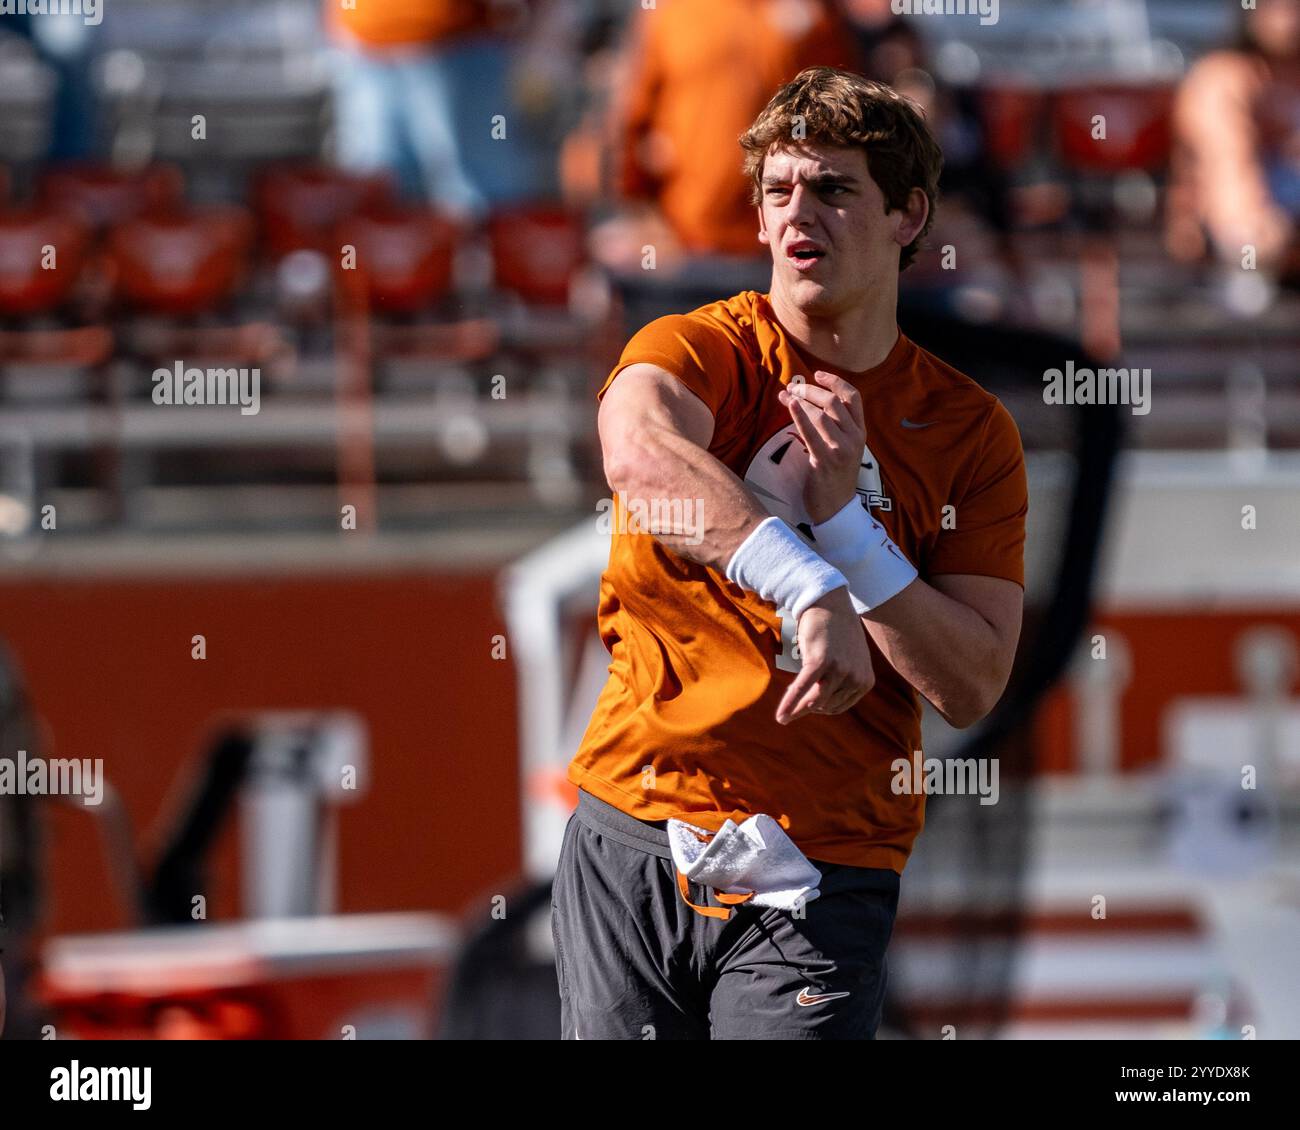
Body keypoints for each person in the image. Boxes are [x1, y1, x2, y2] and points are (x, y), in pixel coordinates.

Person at [551, 66, 1027, 1040]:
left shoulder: (966, 429)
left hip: (822, 856)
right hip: (633, 823)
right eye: (777, 189)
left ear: (907, 214)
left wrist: (849, 529)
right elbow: (638, 455)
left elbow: (973, 680)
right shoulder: (700, 348)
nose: (797, 209)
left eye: (834, 187)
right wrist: (805, 579)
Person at [1167, 0, 1300, 277]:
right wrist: (1251, 225)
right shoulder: (1223, 76)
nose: (1289, 20)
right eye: (1277, 7)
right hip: (1248, 230)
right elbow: (1228, 161)